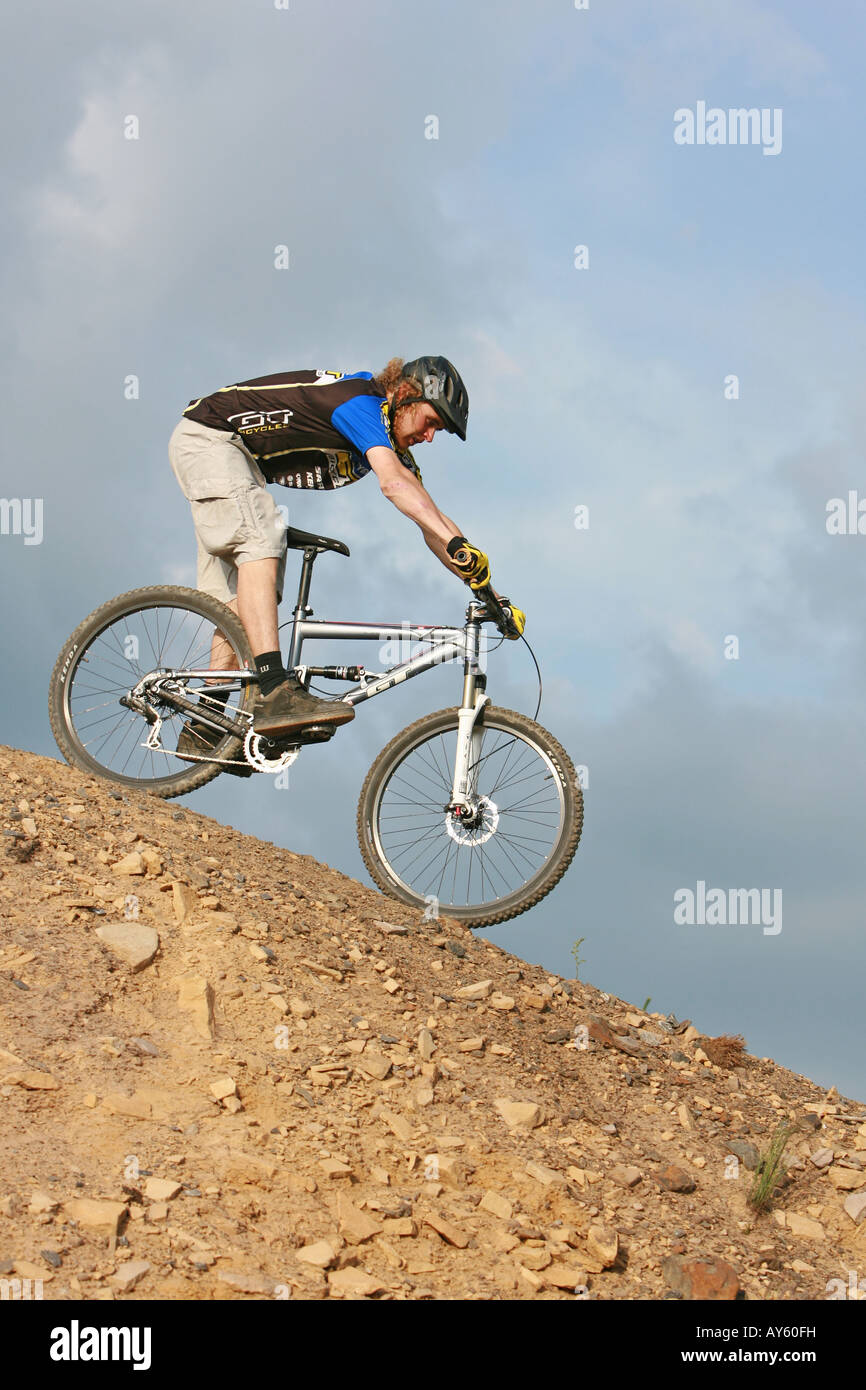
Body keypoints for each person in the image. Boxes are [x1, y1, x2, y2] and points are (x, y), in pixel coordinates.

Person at [168, 355, 524, 771]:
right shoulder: (361, 404)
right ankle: (273, 689)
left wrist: (489, 593)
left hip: (235, 460)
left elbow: (433, 521)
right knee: (263, 539)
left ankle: (204, 724)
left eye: (437, 432)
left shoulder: (390, 438)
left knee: (242, 601)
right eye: (431, 422)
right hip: (211, 439)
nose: (430, 437)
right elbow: (393, 485)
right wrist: (459, 545)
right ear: (406, 394)